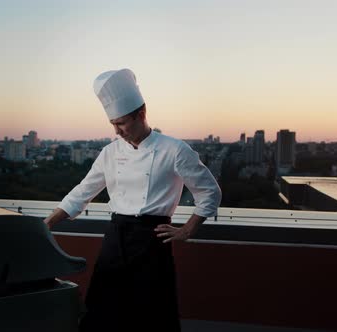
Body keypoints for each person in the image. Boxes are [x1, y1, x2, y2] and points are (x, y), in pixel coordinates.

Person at [44, 68, 221, 332]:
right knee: (101, 312)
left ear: (141, 114)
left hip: (152, 239)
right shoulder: (110, 152)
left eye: (122, 123)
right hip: (116, 237)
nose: (117, 131)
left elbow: (210, 191)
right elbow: (83, 192)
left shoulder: (175, 150)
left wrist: (188, 229)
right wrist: (46, 224)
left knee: (152, 314)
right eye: (113, 124)